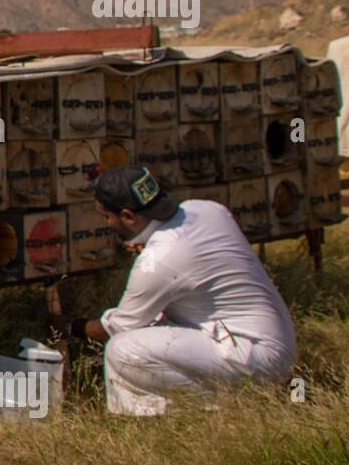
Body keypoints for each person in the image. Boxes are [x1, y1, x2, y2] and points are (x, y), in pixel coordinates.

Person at [49, 166, 296, 416]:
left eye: (107, 216)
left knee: (122, 350)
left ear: (128, 216)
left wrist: (71, 327)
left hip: (255, 357)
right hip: (275, 340)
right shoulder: (205, 208)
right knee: (155, 322)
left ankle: (223, 407)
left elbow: (118, 327)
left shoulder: (158, 260)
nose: (107, 223)